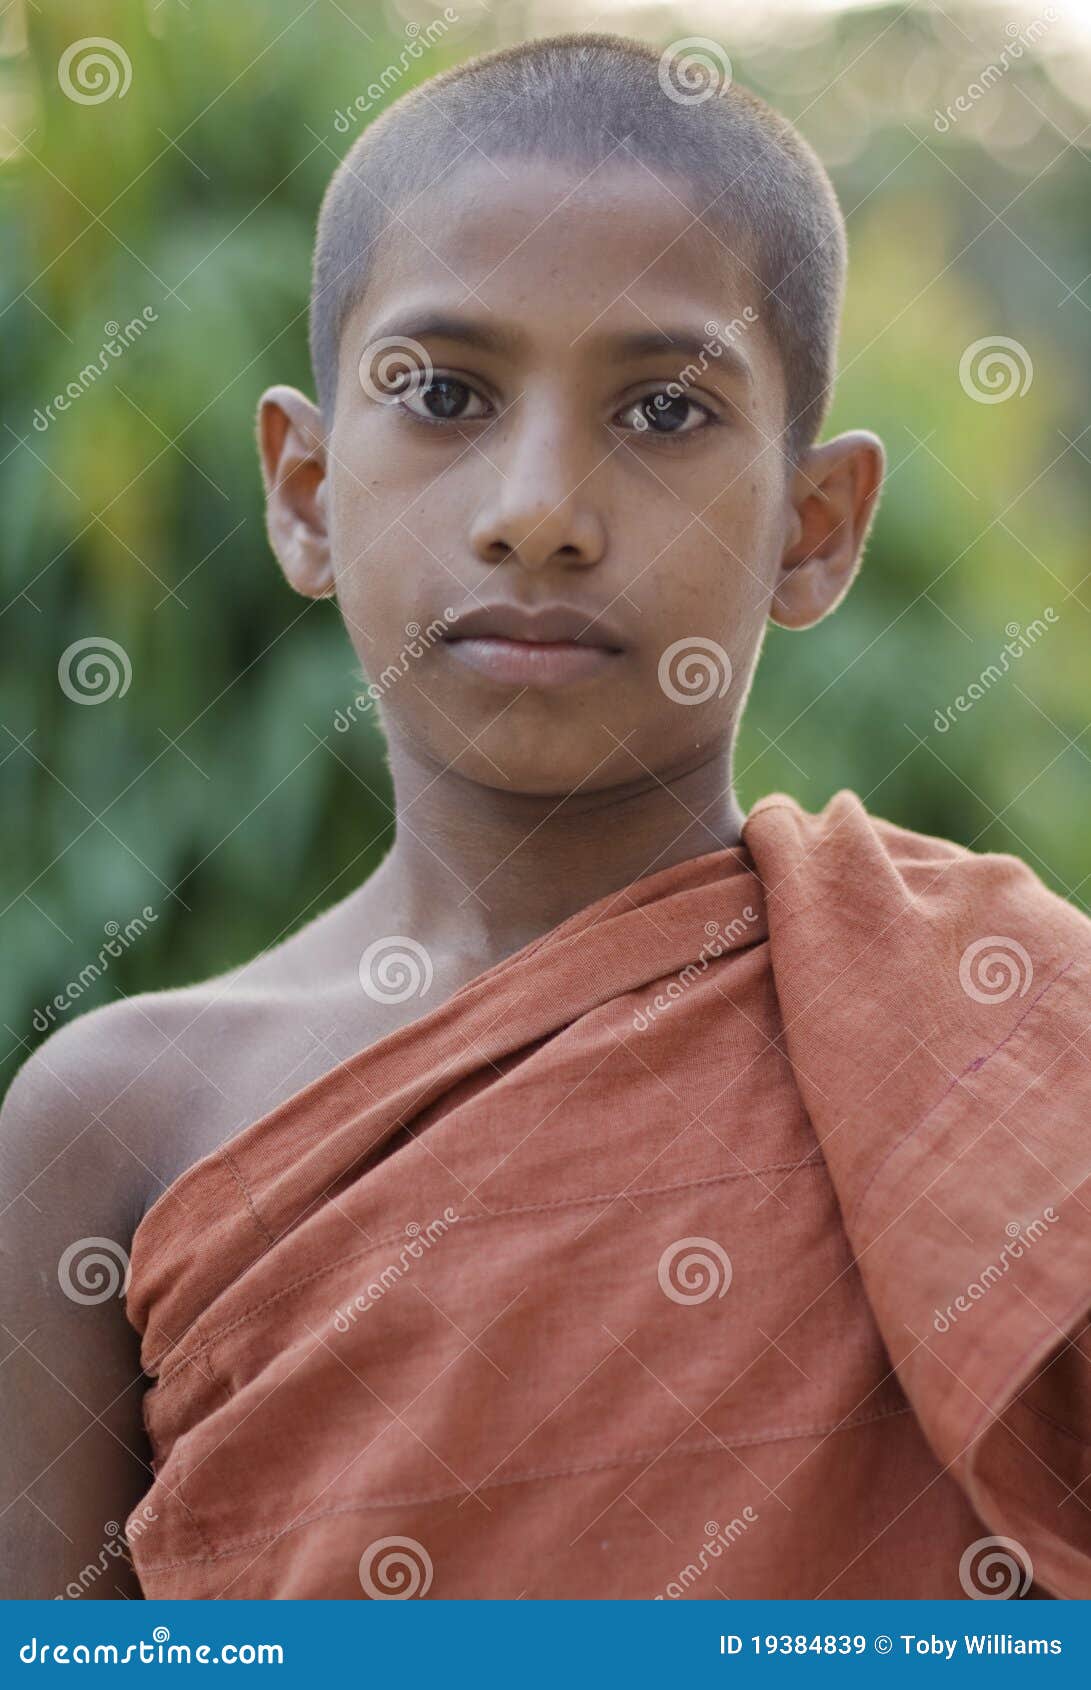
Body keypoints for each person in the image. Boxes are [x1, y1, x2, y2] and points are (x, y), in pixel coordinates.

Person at [3, 32, 1089, 1602]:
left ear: (817, 526)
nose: (538, 508)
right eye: (443, 392)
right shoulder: (115, 1124)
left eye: (662, 412)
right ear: (305, 488)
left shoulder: (1009, 1041)